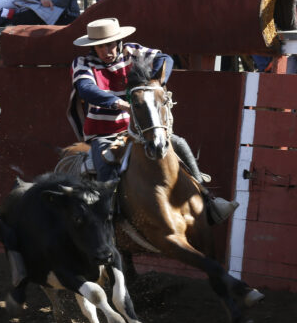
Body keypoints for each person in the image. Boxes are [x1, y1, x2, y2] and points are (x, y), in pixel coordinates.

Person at [69, 18, 239, 224]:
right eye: (100, 46)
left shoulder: (133, 51)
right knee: (106, 164)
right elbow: (86, 89)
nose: (107, 51)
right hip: (105, 133)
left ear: (118, 42)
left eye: (110, 45)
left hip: (141, 129)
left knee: (180, 144)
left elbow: (165, 58)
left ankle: (208, 201)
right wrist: (120, 104)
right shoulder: (82, 63)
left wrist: (155, 84)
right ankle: (107, 220)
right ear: (93, 47)